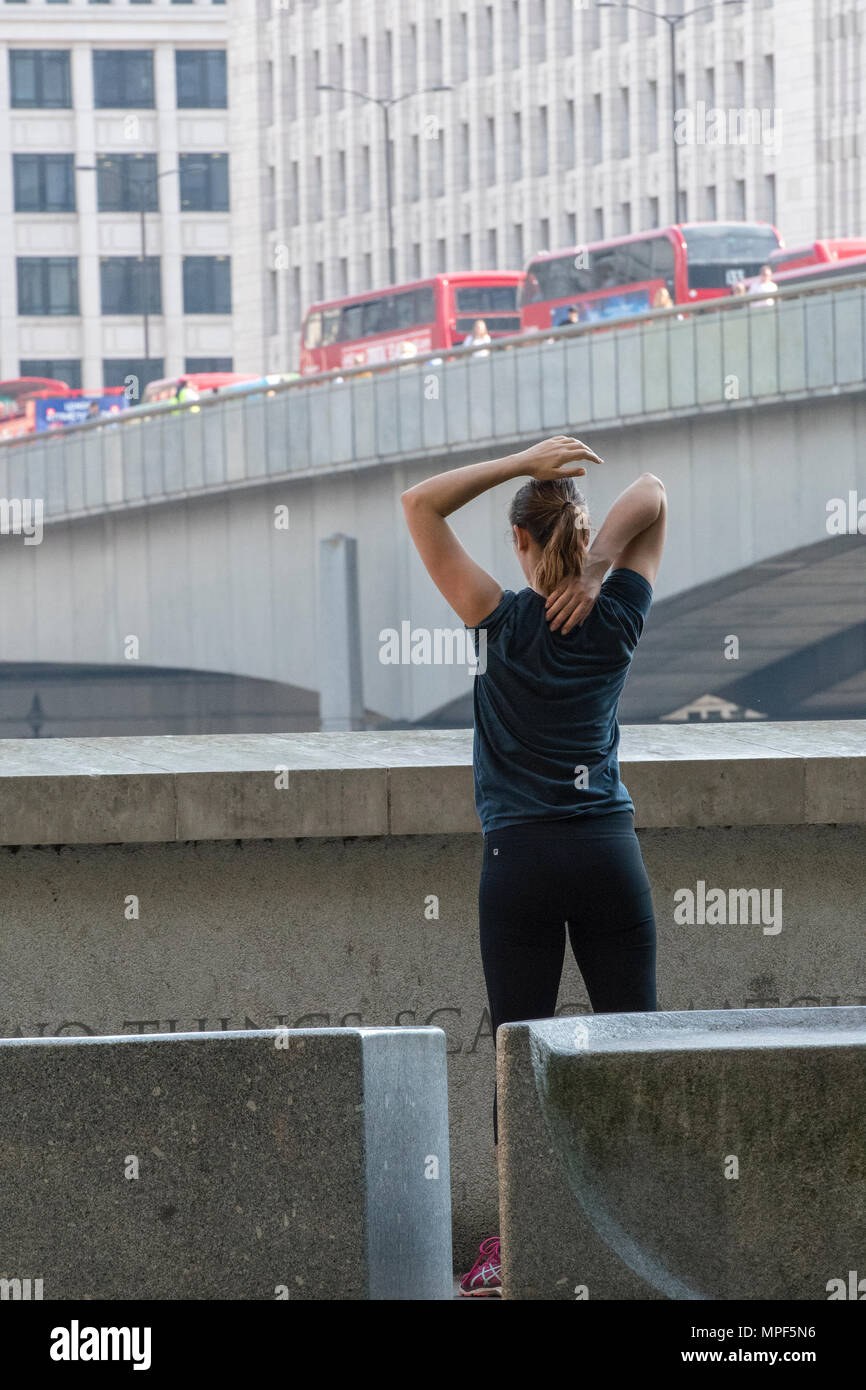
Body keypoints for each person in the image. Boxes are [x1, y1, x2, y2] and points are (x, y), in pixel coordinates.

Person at [402, 435, 666, 1297]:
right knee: (635, 1051)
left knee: (520, 1055)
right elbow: (653, 492)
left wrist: (519, 462)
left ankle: (515, 1249)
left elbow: (419, 505)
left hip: (518, 860)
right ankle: (645, 1250)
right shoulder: (617, 613)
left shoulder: (498, 616)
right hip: (605, 853)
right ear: (579, 537)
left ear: (519, 542)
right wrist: (595, 570)